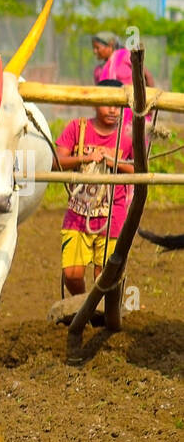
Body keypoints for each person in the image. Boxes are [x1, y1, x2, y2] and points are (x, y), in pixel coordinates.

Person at [54, 78, 134, 296]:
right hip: (78, 213)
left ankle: (97, 311)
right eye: (107, 103)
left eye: (118, 105)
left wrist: (112, 162)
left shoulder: (127, 137)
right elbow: (56, 161)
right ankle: (82, 306)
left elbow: (139, 171)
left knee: (104, 274)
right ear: (94, 103)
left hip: (112, 216)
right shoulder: (77, 128)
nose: (113, 110)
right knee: (71, 275)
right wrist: (84, 158)